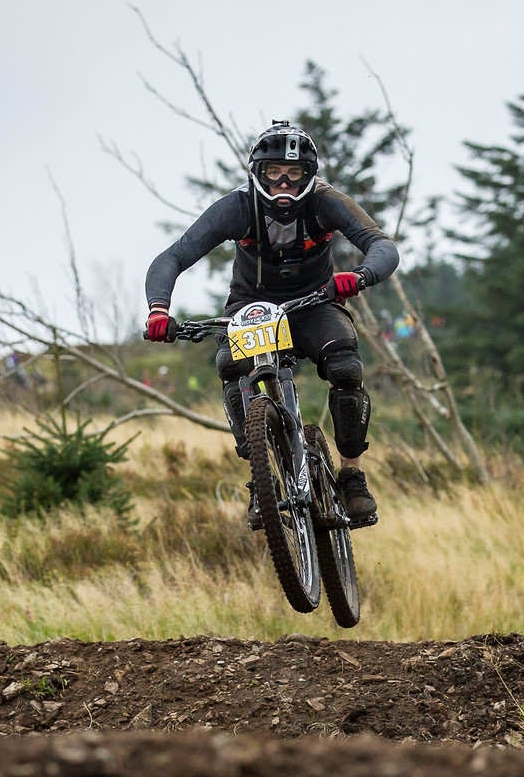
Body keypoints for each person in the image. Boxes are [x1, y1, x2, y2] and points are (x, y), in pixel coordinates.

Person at [143, 120, 398, 526]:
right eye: (273, 173)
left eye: (294, 173)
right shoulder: (238, 207)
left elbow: (381, 244)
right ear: (258, 174)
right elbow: (172, 257)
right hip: (250, 306)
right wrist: (159, 309)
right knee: (233, 366)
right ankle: (260, 478)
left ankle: (351, 475)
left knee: (346, 368)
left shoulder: (327, 202)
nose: (283, 181)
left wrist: (360, 276)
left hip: (315, 303)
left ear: (309, 175)